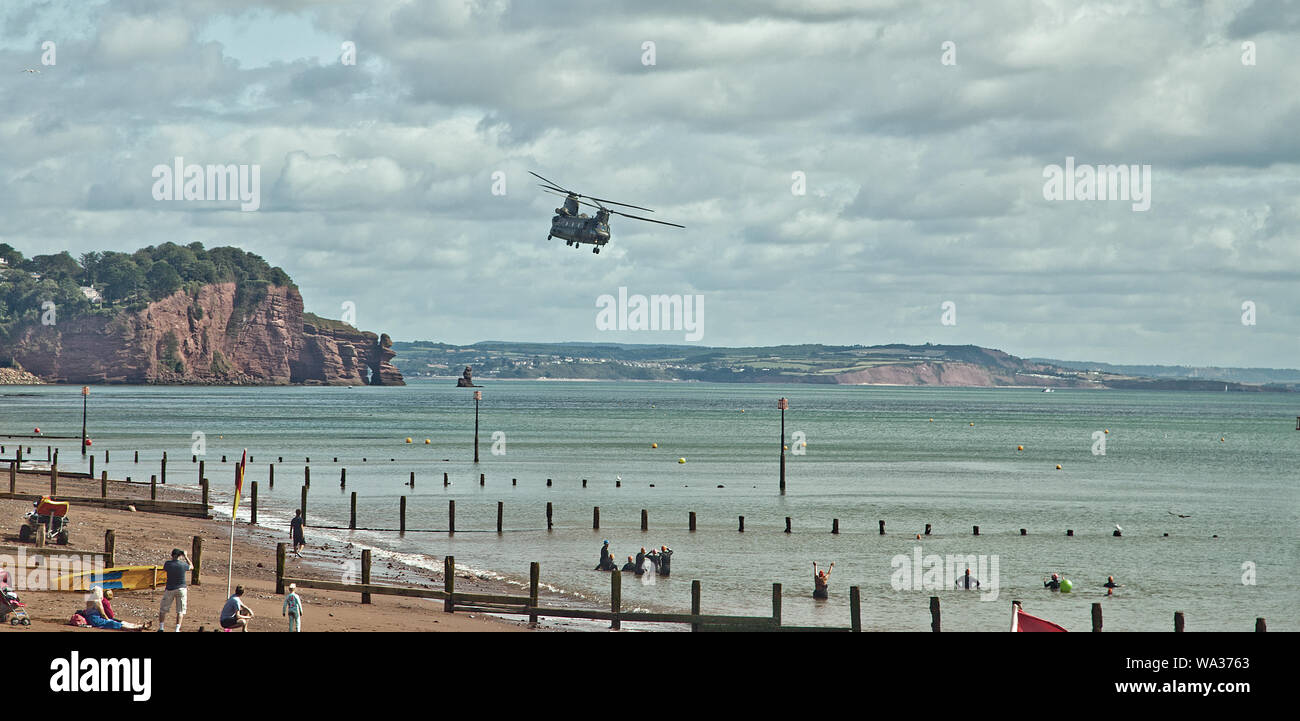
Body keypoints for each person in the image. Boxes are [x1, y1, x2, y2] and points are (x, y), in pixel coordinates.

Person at [84, 588, 150, 630]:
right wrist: (108, 619)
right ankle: (136, 627)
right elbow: (103, 614)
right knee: (114, 623)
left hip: (90, 619)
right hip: (96, 619)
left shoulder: (89, 599)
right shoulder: (97, 601)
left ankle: (137, 626)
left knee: (115, 622)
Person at [158, 548, 191, 632]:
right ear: (179, 556)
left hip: (170, 588)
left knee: (163, 609)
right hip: (181, 588)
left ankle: (161, 627)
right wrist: (186, 556)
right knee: (180, 610)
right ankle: (177, 629)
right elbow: (191, 566)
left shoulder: (168, 564)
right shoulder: (183, 564)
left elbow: (165, 568)